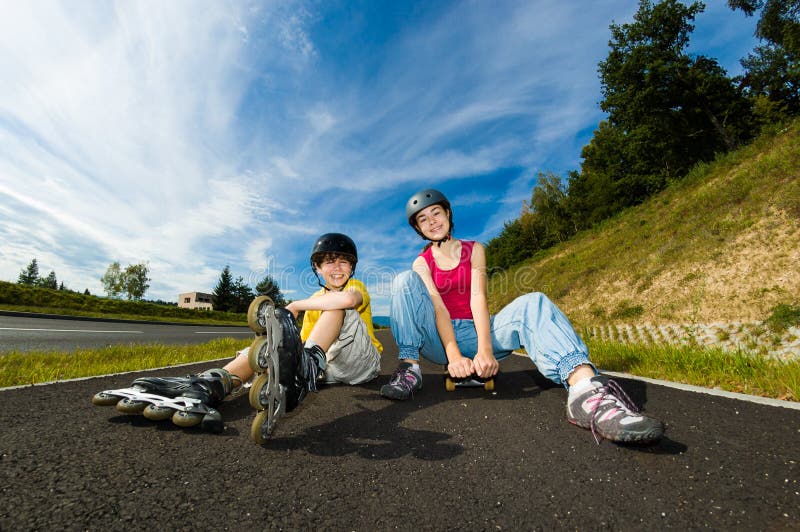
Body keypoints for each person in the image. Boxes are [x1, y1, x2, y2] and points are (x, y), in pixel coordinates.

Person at [380, 189, 664, 444]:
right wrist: (453, 356)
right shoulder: (422, 262)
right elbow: (439, 309)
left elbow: (478, 299)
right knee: (404, 281)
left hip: (479, 330)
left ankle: (585, 393)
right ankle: (409, 369)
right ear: (418, 228)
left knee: (534, 302)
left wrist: (485, 350)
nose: (432, 222)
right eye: (423, 219)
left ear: (448, 213)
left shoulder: (474, 249)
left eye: (436, 213)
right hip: (439, 341)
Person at [93, 233, 382, 442]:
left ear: (352, 268)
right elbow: (297, 345)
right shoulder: (316, 299)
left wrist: (295, 305)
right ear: (317, 268)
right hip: (324, 369)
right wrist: (276, 352)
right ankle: (212, 384)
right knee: (269, 349)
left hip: (360, 364)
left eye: (343, 262)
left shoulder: (354, 287)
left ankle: (305, 368)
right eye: (328, 262)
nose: (336, 268)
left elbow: (347, 300)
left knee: (337, 306)